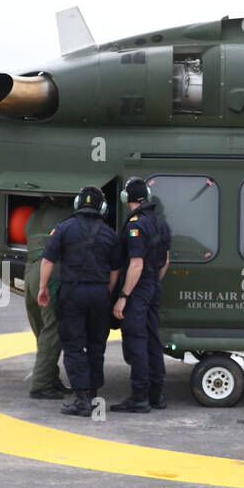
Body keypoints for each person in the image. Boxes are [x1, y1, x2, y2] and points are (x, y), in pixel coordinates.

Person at [38, 185, 120, 417]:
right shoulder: (109, 233)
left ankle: (81, 400)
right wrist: (107, 291)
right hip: (99, 296)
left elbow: (47, 261)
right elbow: (115, 270)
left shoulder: (63, 229)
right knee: (96, 346)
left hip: (72, 294)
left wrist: (43, 288)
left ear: (77, 204)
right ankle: (93, 395)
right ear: (102, 207)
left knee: (74, 346)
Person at [111, 176, 172, 413]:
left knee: (137, 340)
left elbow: (135, 264)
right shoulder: (160, 222)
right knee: (152, 341)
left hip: (138, 286)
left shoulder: (136, 224)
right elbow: (166, 260)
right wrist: (154, 281)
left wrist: (123, 296)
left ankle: (139, 398)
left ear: (127, 198)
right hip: (153, 283)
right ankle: (156, 395)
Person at [23, 196, 71, 399]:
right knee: (53, 329)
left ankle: (51, 378)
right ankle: (41, 384)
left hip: (30, 271)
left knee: (42, 330)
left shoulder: (33, 217)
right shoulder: (66, 215)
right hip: (50, 271)